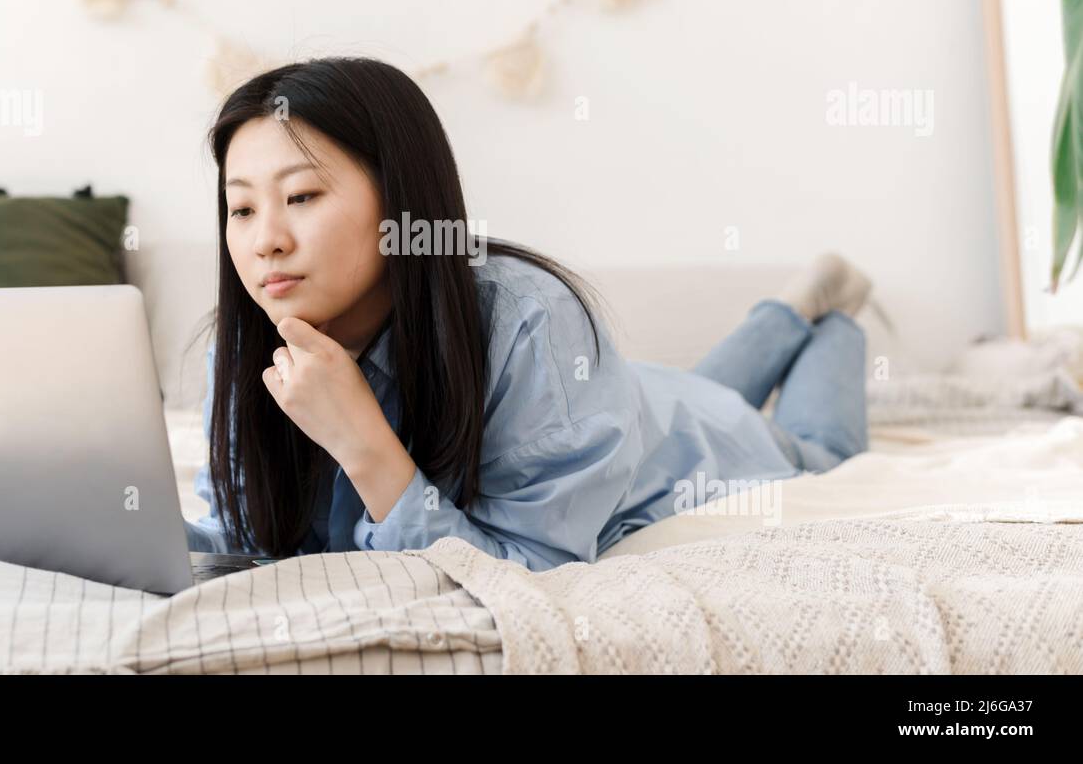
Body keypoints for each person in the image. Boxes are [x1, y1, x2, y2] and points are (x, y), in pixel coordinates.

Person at [183, 56, 873, 572]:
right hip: (631, 395)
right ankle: (789, 306)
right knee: (703, 384)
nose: (264, 237)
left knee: (818, 448)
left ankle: (830, 317)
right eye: (241, 208)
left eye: (300, 196)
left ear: (399, 201)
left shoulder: (530, 319)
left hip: (699, 443)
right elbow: (234, 537)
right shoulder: (246, 351)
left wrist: (365, 445)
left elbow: (531, 571)